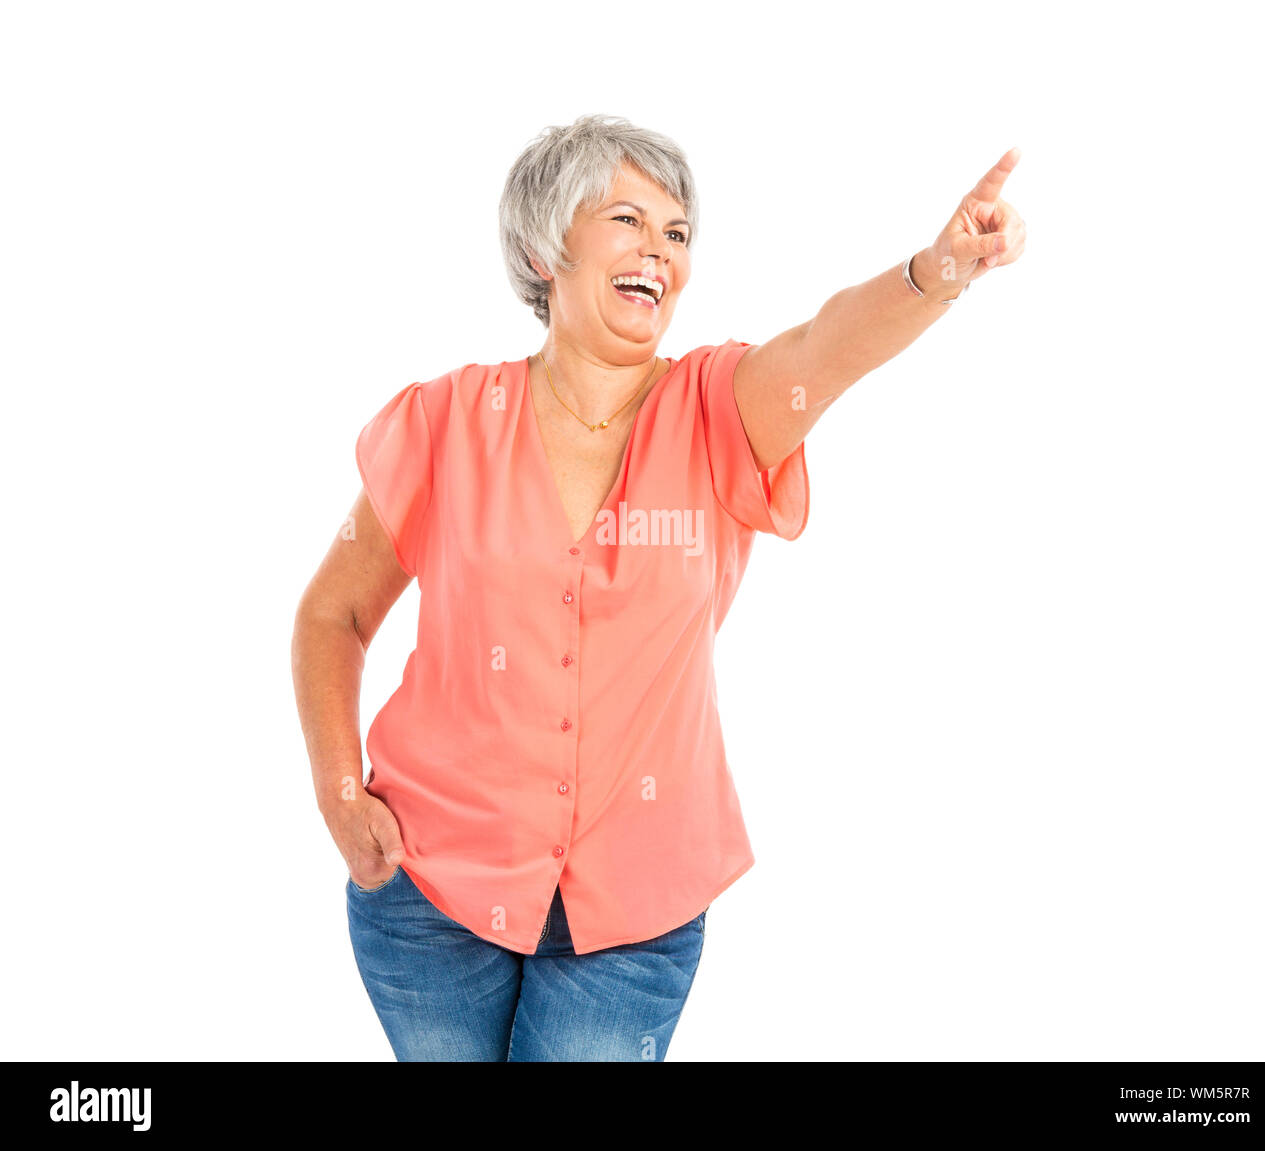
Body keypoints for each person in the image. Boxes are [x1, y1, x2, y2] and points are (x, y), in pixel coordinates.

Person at [291, 113, 1025, 1062]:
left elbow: (824, 348)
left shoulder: (719, 408)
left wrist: (936, 274)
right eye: (628, 221)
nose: (659, 253)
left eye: (676, 234)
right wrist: (339, 792)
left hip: (635, 916)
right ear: (545, 245)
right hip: (428, 894)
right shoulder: (444, 420)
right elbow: (332, 612)